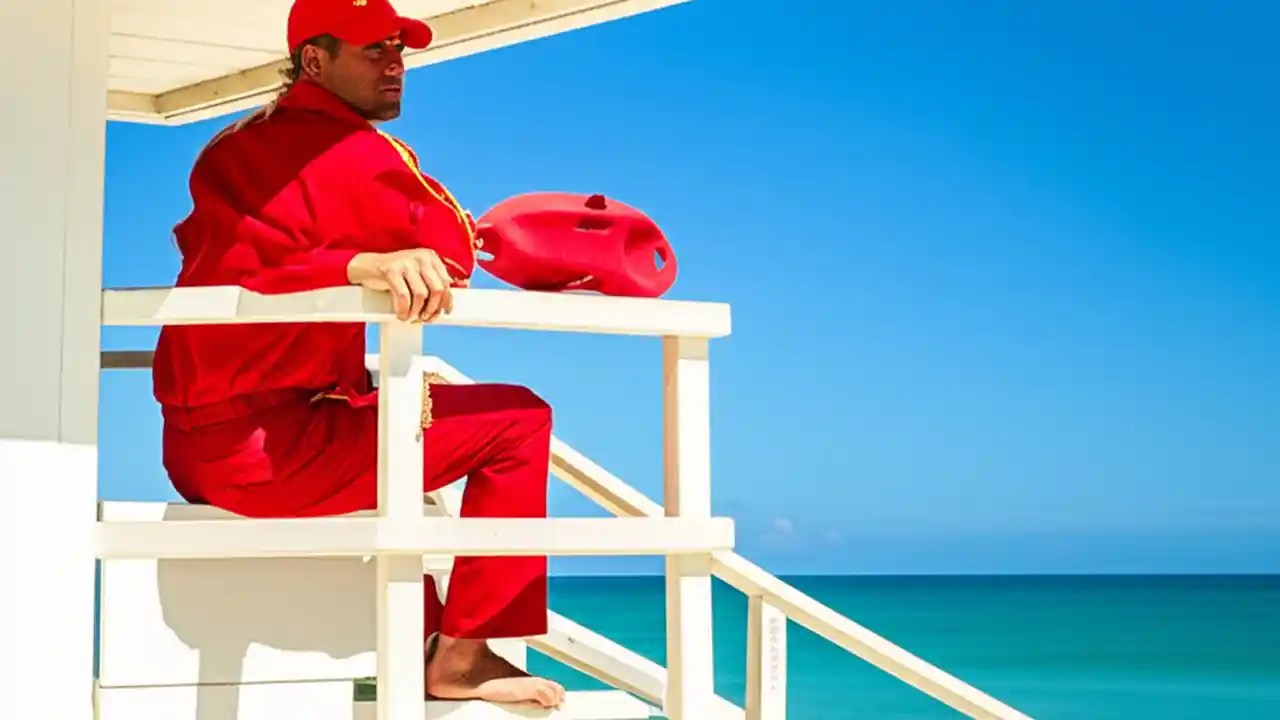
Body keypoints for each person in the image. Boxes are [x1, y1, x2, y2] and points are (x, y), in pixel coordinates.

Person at [151, 0, 565, 708]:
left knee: (413, 416)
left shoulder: (228, 146)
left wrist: (344, 263)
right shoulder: (349, 148)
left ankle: (435, 629)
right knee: (518, 421)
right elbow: (454, 248)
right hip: (276, 455)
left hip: (192, 452)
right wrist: (361, 263)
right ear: (315, 61)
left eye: (400, 49)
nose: (396, 65)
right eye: (375, 50)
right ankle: (461, 658)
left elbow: (230, 254)